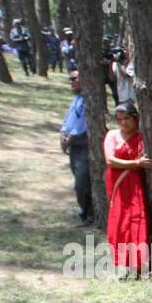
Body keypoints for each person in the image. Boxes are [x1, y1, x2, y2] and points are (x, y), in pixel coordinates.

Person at [104, 102, 152, 276]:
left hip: (137, 184)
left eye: (127, 119)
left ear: (136, 118)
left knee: (137, 220)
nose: (123, 123)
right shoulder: (112, 135)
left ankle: (138, 263)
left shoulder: (144, 136)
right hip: (118, 183)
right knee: (120, 221)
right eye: (120, 119)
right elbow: (110, 160)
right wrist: (135, 163)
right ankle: (121, 263)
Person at [60, 70, 92, 226]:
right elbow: (68, 120)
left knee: (82, 181)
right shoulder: (76, 99)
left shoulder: (88, 100)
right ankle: (86, 211)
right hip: (74, 146)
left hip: (84, 144)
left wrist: (70, 138)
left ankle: (87, 214)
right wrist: (63, 136)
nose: (71, 82)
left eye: (74, 79)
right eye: (70, 79)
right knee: (78, 177)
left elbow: (82, 125)